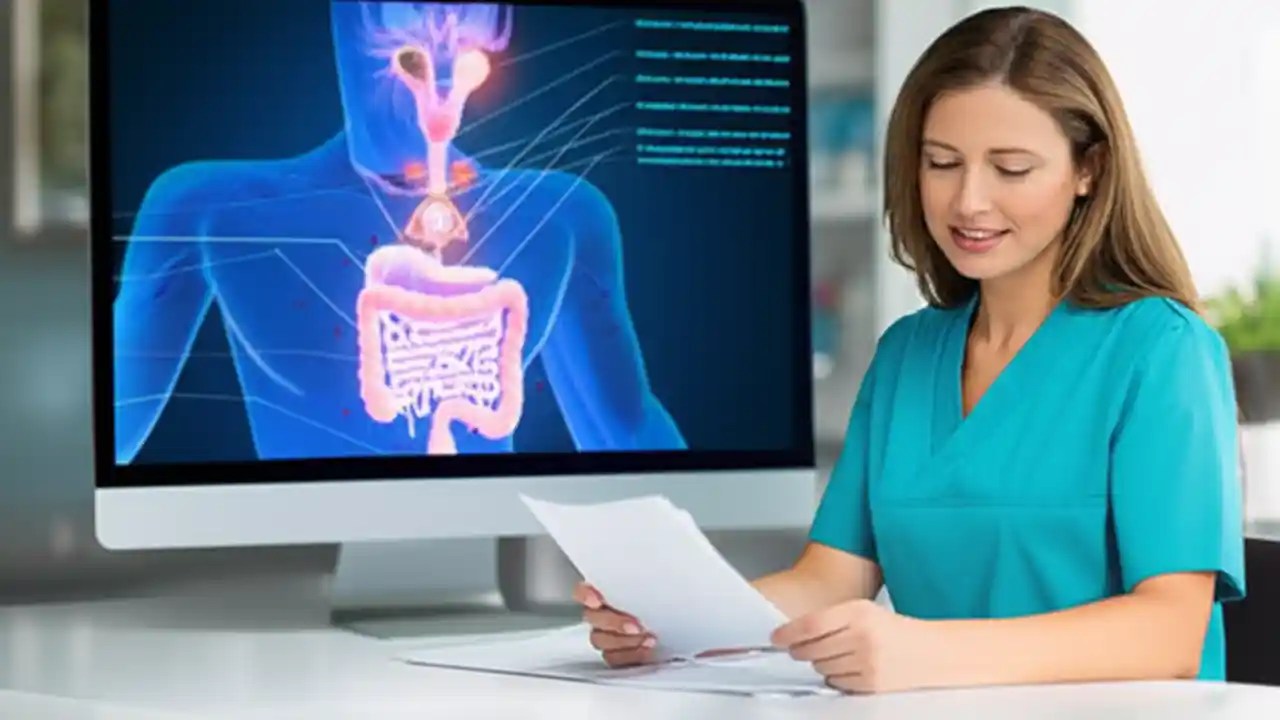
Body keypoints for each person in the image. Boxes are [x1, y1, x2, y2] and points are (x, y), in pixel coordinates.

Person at [574, 5, 1246, 694]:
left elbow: (1169, 631)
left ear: (1089, 170)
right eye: (942, 163)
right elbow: (832, 577)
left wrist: (928, 654)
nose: (969, 201)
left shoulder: (1163, 350)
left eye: (1011, 169)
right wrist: (675, 628)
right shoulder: (907, 355)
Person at [113, 2, 685, 463]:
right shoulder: (209, 208)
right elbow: (111, 425)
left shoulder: (561, 213)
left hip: (492, 540)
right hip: (298, 551)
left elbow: (627, 431)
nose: (438, 68)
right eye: (409, 33)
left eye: (463, 35)